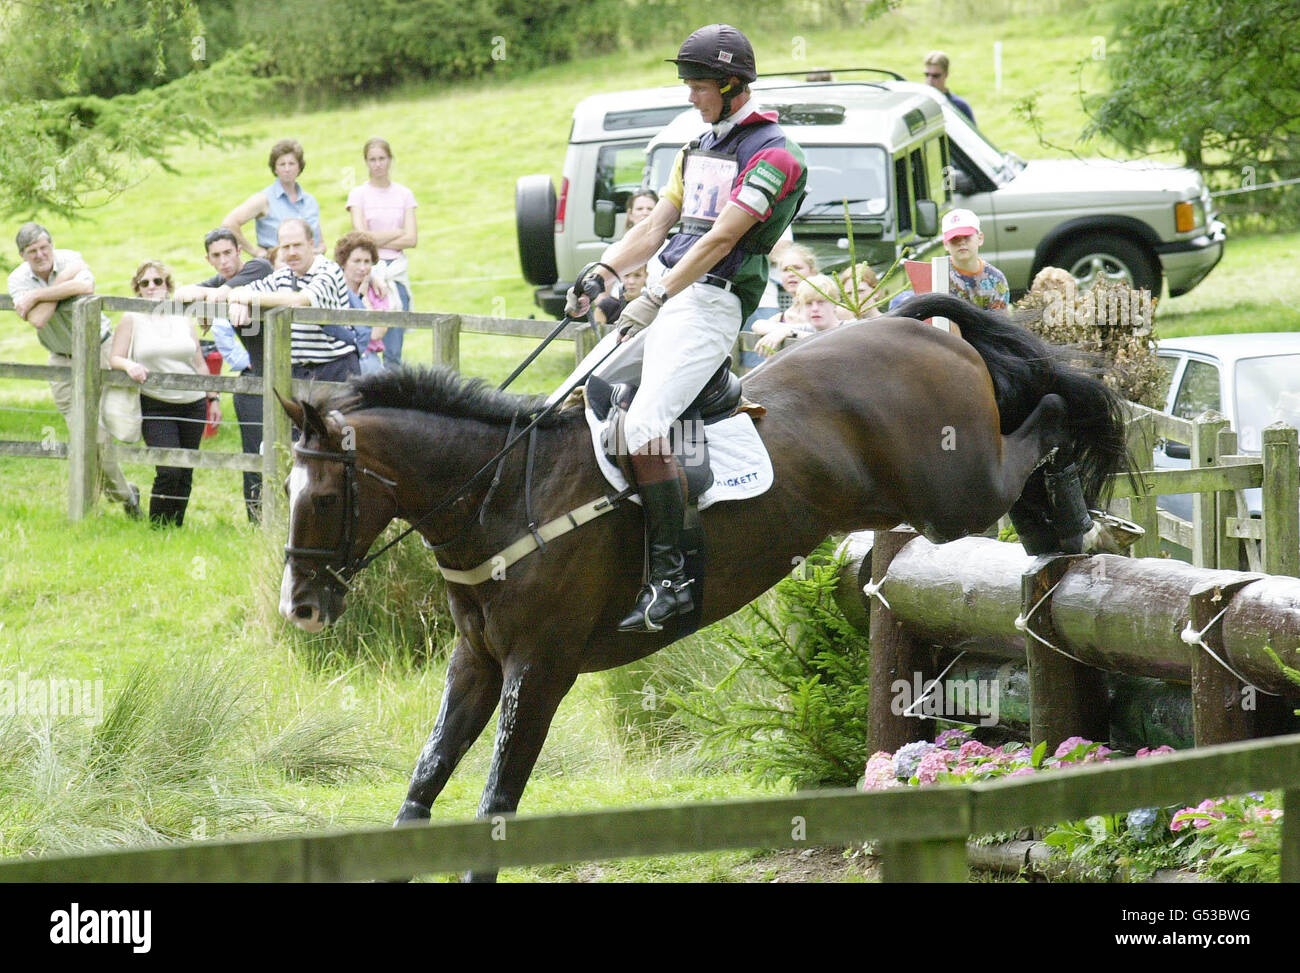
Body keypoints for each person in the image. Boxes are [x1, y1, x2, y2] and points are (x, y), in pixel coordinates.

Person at [567, 23, 807, 633]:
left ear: (731, 84)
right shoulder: (696, 147)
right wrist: (602, 270)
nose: (690, 95)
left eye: (698, 85)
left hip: (711, 304)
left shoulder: (775, 155)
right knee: (579, 395)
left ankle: (669, 582)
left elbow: (723, 236)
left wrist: (653, 292)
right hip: (671, 294)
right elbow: (654, 232)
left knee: (645, 424)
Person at [7, 223, 141, 518]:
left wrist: (40, 294)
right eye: (33, 251)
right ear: (22, 255)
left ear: (51, 245)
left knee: (107, 431)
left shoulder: (69, 258)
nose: (41, 254)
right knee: (88, 436)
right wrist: (56, 292)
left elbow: (86, 287)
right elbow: (40, 319)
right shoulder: (17, 280)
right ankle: (127, 495)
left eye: (45, 247)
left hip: (101, 351)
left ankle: (119, 496)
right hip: (61, 360)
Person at [109, 260, 220, 526]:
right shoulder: (131, 317)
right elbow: (115, 357)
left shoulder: (182, 316)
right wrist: (130, 365)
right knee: (168, 467)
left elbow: (198, 361)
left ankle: (176, 526)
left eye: (157, 281)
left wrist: (212, 397)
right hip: (155, 403)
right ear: (137, 288)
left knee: (185, 468)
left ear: (167, 285)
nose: (151, 287)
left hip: (192, 402)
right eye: (144, 283)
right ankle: (158, 526)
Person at [174, 228, 274, 521]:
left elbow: (218, 293)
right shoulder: (222, 282)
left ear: (238, 251)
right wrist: (213, 302)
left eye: (228, 253)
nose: (224, 261)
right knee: (254, 449)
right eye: (216, 256)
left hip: (295, 372)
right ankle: (258, 519)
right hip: (257, 376)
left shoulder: (259, 267)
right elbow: (181, 293)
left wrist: (215, 301)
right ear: (209, 259)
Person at [221, 218, 360, 382]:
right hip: (298, 372)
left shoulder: (328, 271)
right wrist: (239, 299)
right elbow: (243, 290)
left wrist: (248, 297)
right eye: (286, 247)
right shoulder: (282, 276)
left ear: (311, 243)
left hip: (336, 367)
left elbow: (300, 299)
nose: (292, 252)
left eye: (297, 245)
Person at [346, 137, 417, 366]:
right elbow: (361, 237)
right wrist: (397, 232)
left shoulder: (404, 194)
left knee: (394, 350)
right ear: (366, 162)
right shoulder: (358, 194)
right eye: (372, 159)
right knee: (368, 343)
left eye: (382, 159)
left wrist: (378, 237)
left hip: (395, 272)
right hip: (369, 271)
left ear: (390, 160)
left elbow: (412, 238)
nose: (377, 164)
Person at [222, 139, 324, 260]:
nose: (287, 169)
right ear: (275, 168)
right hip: (277, 267)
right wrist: (255, 252)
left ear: (299, 167)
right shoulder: (264, 199)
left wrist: (320, 250)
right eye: (282, 164)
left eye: (291, 164)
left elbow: (320, 242)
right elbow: (229, 224)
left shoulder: (310, 201)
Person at [334, 230, 398, 374]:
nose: (362, 268)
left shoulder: (377, 292)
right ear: (343, 263)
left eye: (367, 262)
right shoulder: (333, 290)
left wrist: (364, 297)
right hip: (340, 359)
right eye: (356, 261)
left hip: (369, 359)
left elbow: (375, 334)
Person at [754, 273, 842, 356]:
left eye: (821, 302)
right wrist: (784, 331)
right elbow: (758, 325)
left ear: (835, 303)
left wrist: (792, 333)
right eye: (808, 304)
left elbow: (830, 340)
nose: (815, 308)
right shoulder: (809, 328)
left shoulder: (850, 326)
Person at [942, 208, 1009, 311]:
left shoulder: (996, 279)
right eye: (954, 238)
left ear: (980, 238)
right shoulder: (936, 274)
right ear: (945, 244)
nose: (961, 243)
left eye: (966, 237)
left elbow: (999, 323)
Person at [923, 51, 975, 125]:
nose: (930, 80)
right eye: (927, 74)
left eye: (935, 76)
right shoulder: (919, 106)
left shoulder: (960, 107)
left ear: (946, 74)